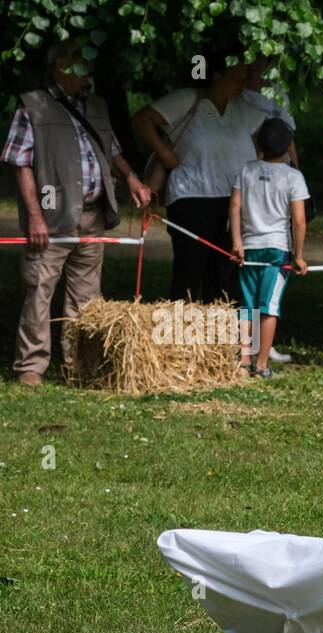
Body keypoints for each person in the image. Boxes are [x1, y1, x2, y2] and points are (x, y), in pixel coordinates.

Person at [4, 41, 151, 386]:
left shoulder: (96, 105)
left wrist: (130, 177)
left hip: (93, 213)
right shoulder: (33, 105)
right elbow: (20, 163)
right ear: (59, 67)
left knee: (86, 296)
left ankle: (77, 365)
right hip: (52, 209)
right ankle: (31, 368)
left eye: (88, 64)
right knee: (40, 288)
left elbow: (111, 148)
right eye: (79, 64)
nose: (87, 71)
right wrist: (37, 216)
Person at [133, 54, 267, 302]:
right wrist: (165, 154)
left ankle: (216, 335)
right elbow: (143, 120)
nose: (242, 81)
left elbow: (274, 136)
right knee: (189, 270)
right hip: (190, 197)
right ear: (217, 76)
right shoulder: (189, 99)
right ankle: (182, 332)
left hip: (233, 201)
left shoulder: (244, 109)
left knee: (225, 272)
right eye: (237, 75)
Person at [230, 118, 309, 378]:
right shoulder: (293, 176)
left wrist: (237, 243)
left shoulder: (246, 170)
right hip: (277, 250)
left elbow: (234, 207)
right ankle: (261, 365)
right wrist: (298, 256)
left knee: (247, 306)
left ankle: (243, 362)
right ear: (288, 146)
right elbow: (299, 220)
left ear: (258, 143)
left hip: (249, 248)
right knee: (269, 307)